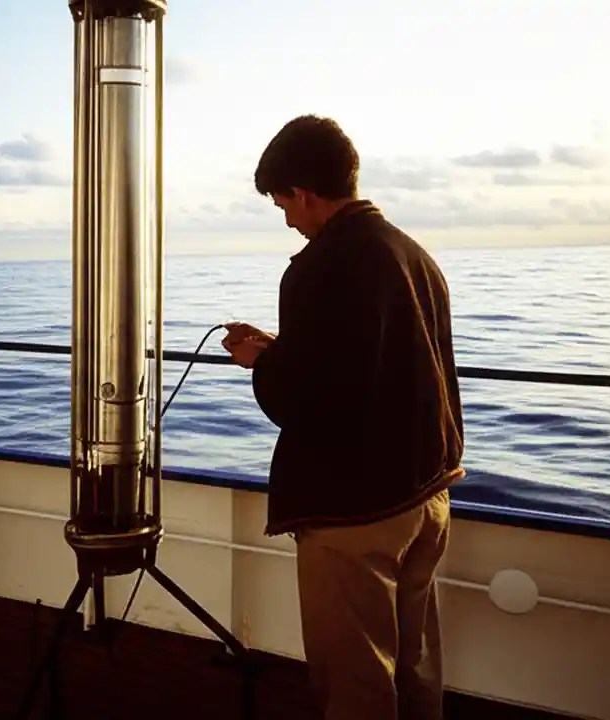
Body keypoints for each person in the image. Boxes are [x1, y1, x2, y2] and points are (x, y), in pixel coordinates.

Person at [221, 115, 465, 720]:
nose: (287, 220)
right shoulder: (413, 254)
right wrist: (286, 349)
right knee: (416, 660)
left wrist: (259, 362)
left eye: (283, 204)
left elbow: (306, 403)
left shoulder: (317, 267)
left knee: (356, 679)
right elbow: (371, 363)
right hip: (427, 497)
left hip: (357, 513)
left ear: (303, 192)